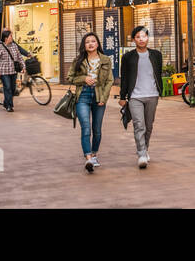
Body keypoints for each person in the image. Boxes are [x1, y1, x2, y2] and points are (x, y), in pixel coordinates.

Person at [68, 32, 113, 173]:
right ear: (84, 45)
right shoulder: (78, 60)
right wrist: (83, 79)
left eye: (93, 41)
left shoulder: (105, 60)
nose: (91, 43)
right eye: (87, 42)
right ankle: (88, 158)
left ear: (98, 44)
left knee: (97, 130)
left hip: (99, 96)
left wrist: (104, 98)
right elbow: (70, 77)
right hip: (83, 95)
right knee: (86, 128)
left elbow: (110, 80)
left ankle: (94, 155)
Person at [119, 26, 163, 169]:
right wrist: (122, 96)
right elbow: (124, 78)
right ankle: (141, 154)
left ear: (148, 38)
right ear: (133, 40)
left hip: (152, 95)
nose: (141, 39)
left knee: (149, 126)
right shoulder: (127, 57)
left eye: (143, 36)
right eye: (138, 37)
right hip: (135, 96)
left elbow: (158, 73)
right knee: (139, 125)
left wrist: (159, 90)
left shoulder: (156, 55)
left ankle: (145, 149)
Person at [0, 29, 32, 112]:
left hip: (13, 71)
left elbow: (19, 57)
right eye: (11, 36)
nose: (12, 37)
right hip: (4, 71)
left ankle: (6, 102)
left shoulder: (14, 46)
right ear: (6, 38)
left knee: (13, 89)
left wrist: (23, 67)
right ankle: (9, 106)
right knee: (7, 87)